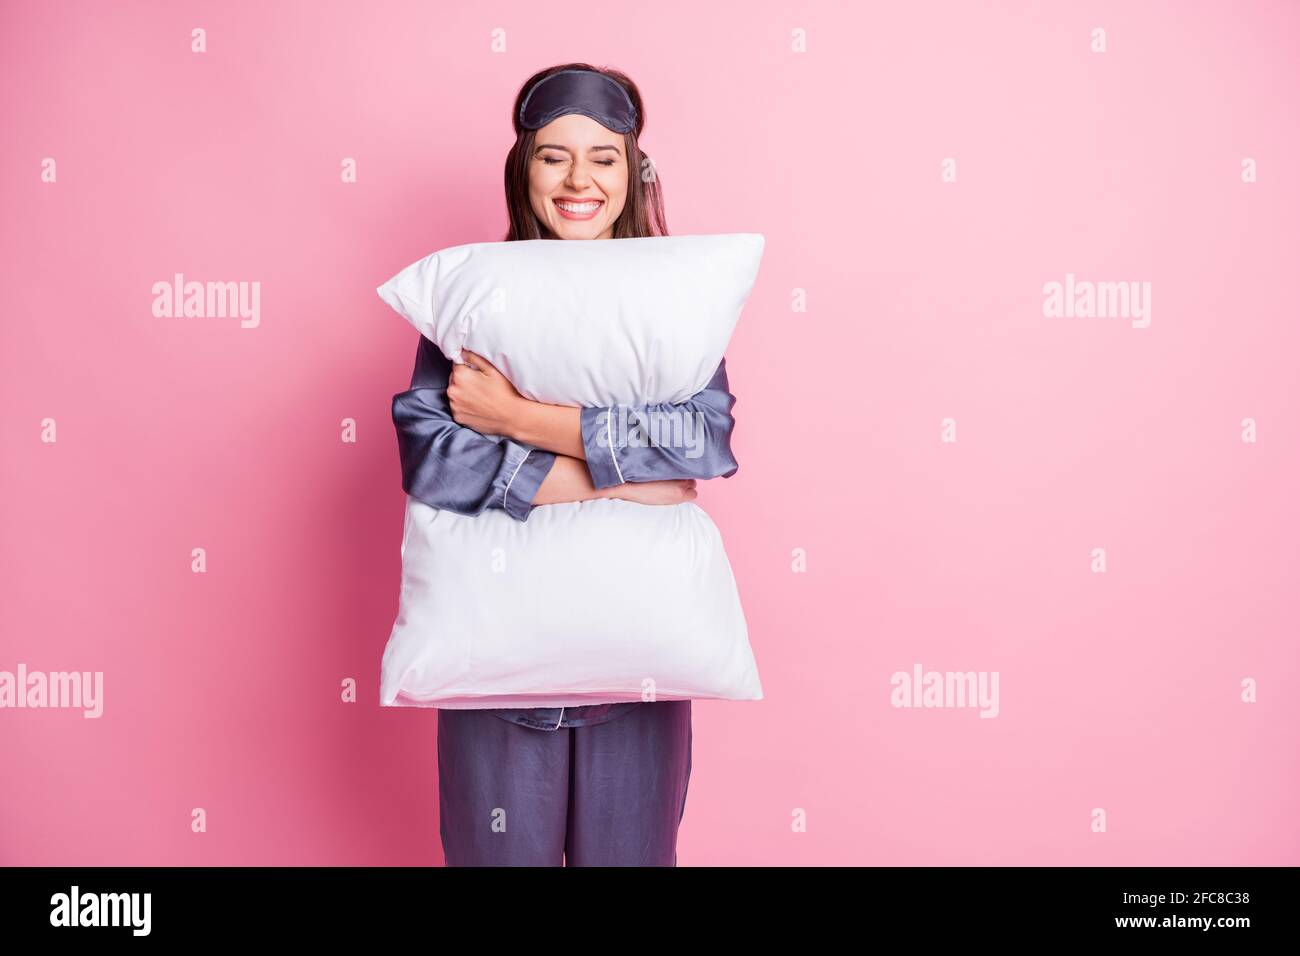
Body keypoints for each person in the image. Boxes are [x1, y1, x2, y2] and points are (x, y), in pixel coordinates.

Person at [390, 63, 740, 866]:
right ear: (523, 168)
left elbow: (702, 440)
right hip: (498, 675)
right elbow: (435, 452)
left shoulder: (673, 302)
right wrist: (613, 477)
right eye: (554, 156)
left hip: (636, 674)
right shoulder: (472, 296)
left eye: (603, 157)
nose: (578, 178)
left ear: (633, 169)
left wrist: (518, 418)